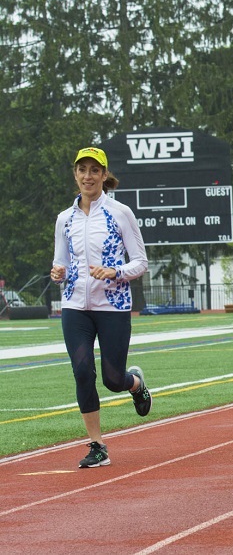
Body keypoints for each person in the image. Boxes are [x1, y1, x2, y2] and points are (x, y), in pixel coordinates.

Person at [51, 147, 151, 468]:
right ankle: (97, 445)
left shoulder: (120, 213)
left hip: (113, 305)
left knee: (111, 379)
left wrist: (115, 271)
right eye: (82, 170)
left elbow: (140, 262)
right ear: (75, 174)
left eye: (95, 170)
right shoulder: (64, 219)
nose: (88, 176)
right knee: (82, 372)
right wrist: (58, 273)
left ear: (104, 175)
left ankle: (134, 383)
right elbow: (60, 262)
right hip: (74, 305)